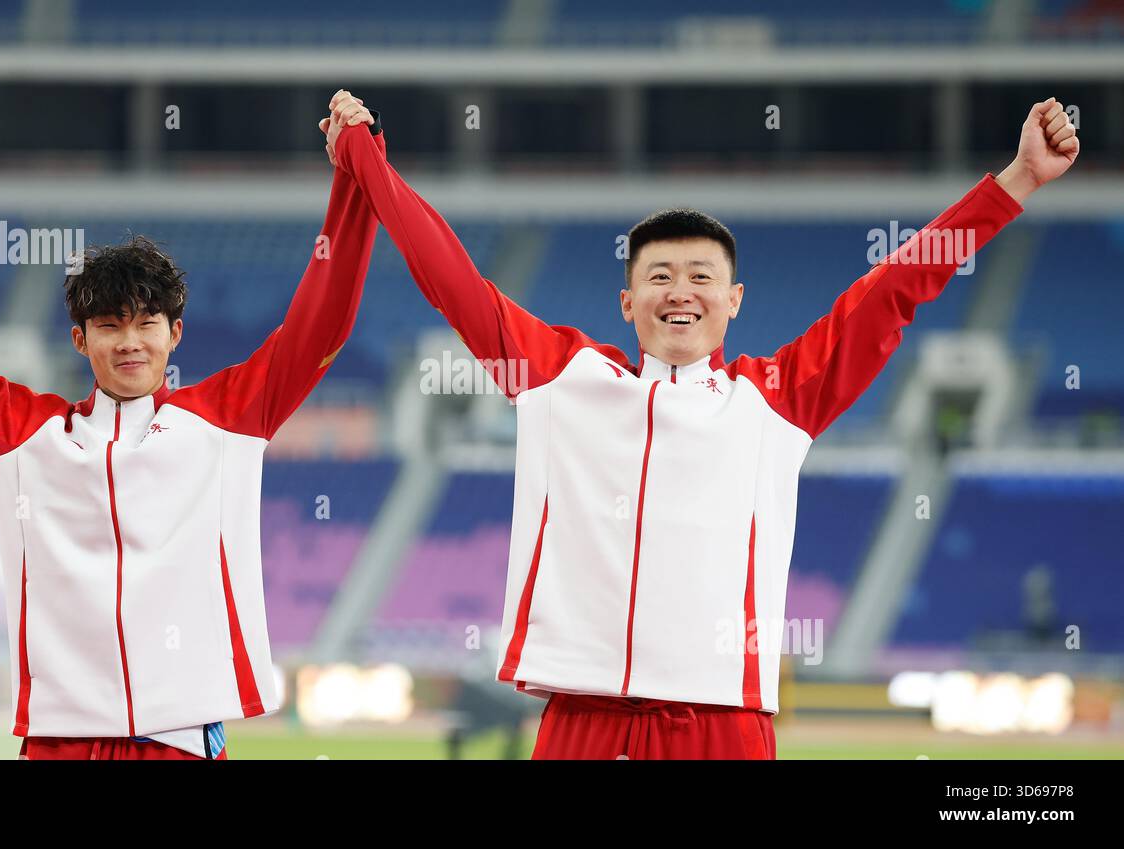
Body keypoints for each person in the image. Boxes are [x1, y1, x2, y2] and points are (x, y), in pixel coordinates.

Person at [323, 93, 1078, 759]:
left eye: (700, 277)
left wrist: (1015, 182)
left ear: (734, 299)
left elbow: (896, 289)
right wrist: (367, 155)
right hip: (581, 719)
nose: (679, 293)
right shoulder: (560, 378)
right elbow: (448, 273)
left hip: (723, 724)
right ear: (626, 302)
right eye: (658, 276)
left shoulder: (777, 400)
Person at [0, 94, 383, 760]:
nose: (129, 341)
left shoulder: (228, 418)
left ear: (175, 334)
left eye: (146, 323)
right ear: (81, 340)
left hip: (179, 741)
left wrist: (353, 173)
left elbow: (325, 319)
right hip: (59, 742)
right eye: (109, 325)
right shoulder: (22, 430)